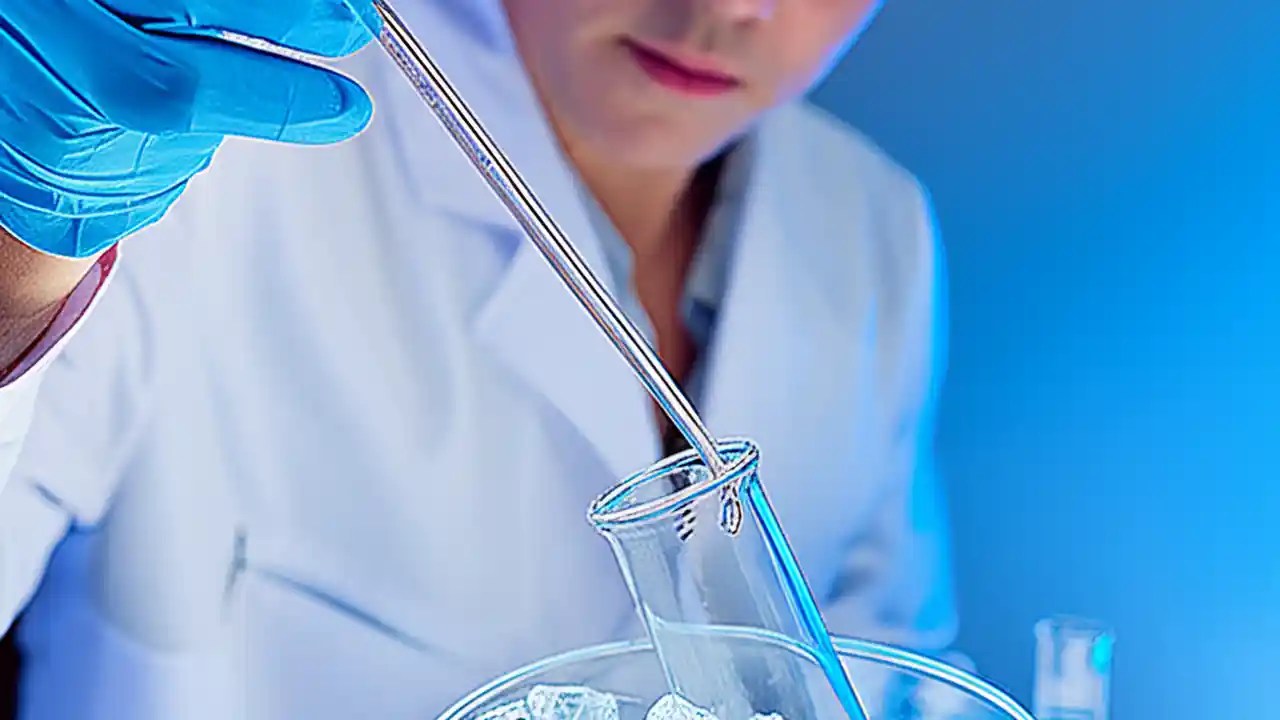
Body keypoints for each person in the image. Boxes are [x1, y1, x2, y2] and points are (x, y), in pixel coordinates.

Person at [0, 0, 957, 717]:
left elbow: (893, 669)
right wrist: (20, 234)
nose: (725, 10)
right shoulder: (200, 106)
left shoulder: (875, 229)